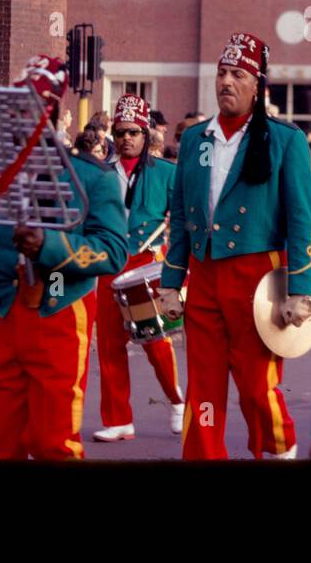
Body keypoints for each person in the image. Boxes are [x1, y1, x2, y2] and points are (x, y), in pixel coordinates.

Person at [0, 56, 128, 459]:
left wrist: (49, 247)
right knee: (1, 445)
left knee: (53, 443)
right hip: (1, 316)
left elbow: (113, 251)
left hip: (57, 313)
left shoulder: (92, 176)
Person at [156, 32, 311, 460]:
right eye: (222, 73)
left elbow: (302, 219)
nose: (226, 82)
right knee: (204, 384)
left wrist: (301, 290)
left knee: (256, 384)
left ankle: (280, 450)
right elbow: (181, 221)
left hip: (258, 277)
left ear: (257, 84)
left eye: (238, 74)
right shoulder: (194, 140)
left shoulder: (285, 140)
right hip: (205, 276)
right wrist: (171, 282)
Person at [92, 94, 185, 441]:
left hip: (146, 263)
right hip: (109, 261)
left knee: (154, 340)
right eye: (120, 133)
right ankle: (118, 419)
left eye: (133, 132)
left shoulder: (166, 173)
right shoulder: (101, 175)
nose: (126, 138)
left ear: (146, 135)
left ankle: (177, 402)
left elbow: (187, 216)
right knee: (110, 345)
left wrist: (175, 245)